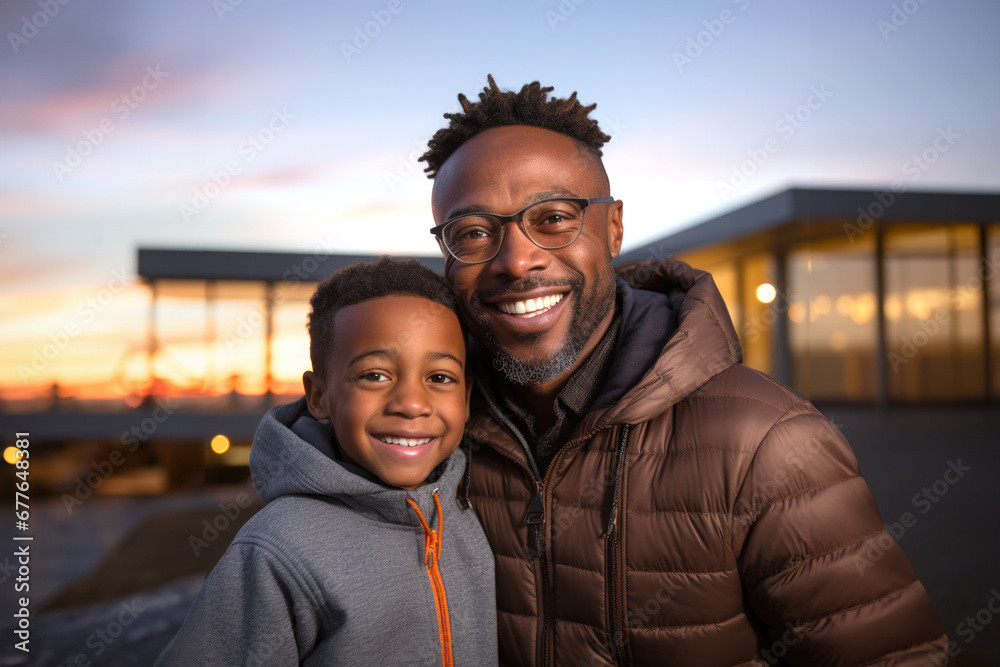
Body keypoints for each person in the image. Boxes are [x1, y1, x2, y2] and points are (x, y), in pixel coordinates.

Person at [420, 76, 948, 665]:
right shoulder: (432, 435)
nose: (517, 259)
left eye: (553, 218)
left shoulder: (767, 441)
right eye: (472, 232)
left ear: (613, 227)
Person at [156, 256, 498, 666]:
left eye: (440, 378)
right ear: (318, 395)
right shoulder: (275, 549)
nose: (411, 404)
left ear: (466, 395)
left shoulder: (475, 506)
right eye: (374, 375)